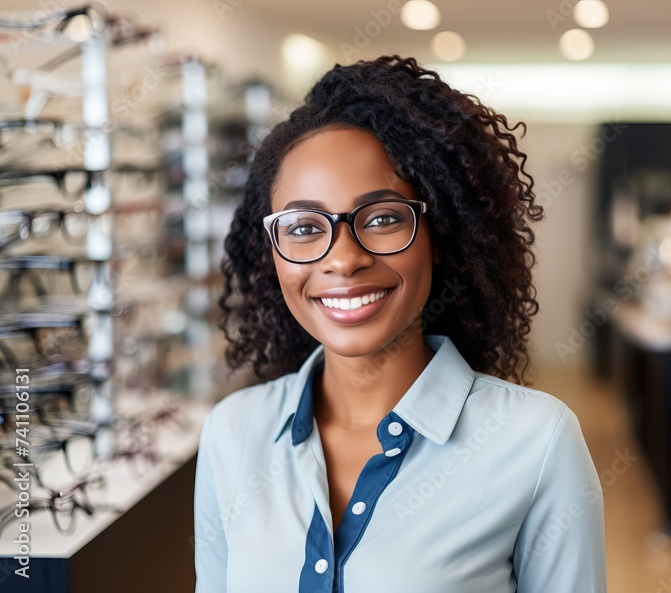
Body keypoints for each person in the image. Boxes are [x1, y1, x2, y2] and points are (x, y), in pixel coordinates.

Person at [192, 55, 607, 592]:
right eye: (303, 227)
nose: (342, 260)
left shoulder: (536, 442)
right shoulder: (232, 434)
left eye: (383, 218)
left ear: (441, 236)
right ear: (271, 252)